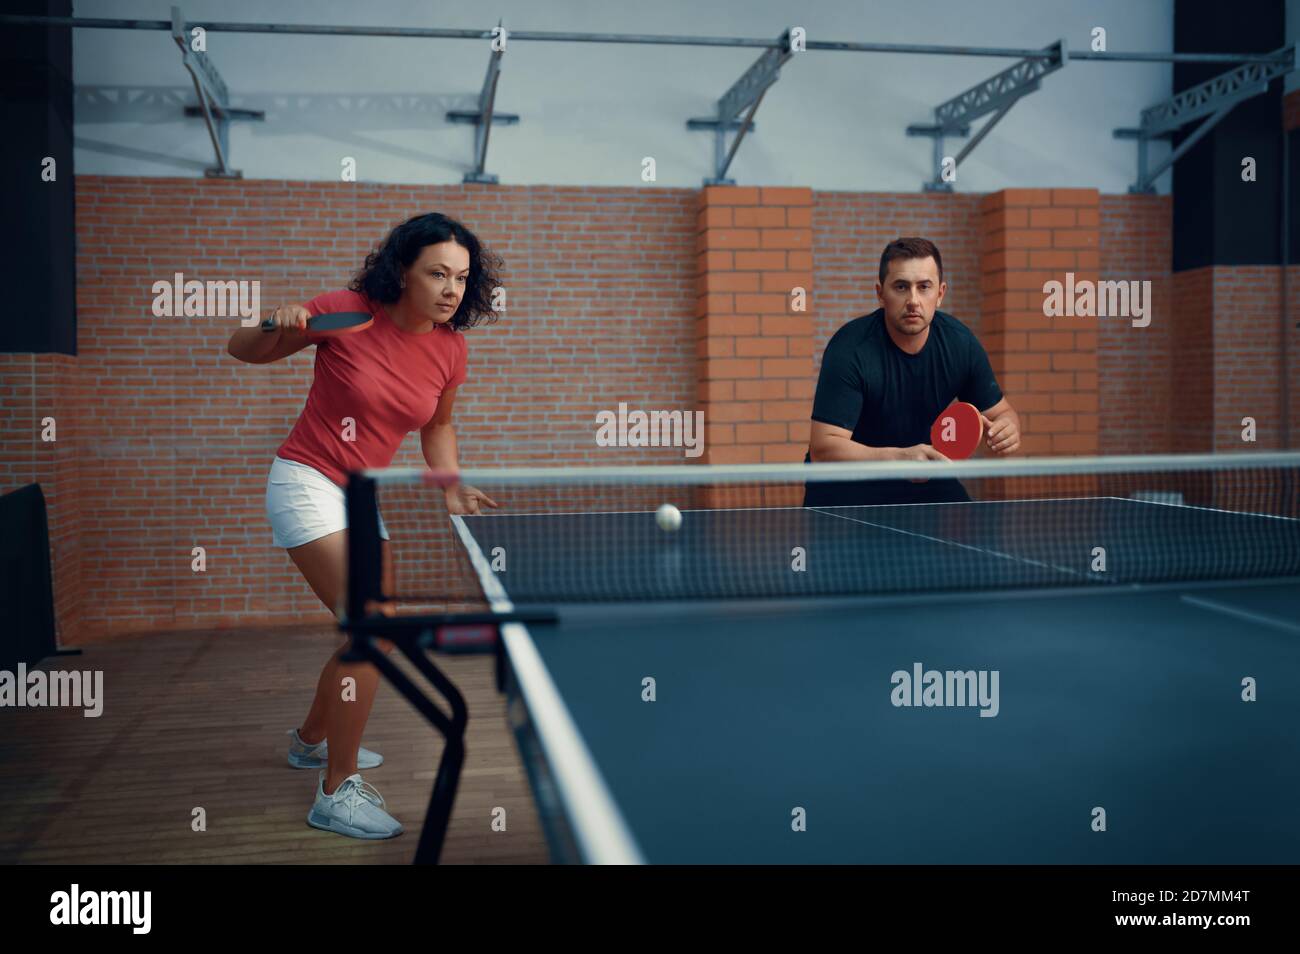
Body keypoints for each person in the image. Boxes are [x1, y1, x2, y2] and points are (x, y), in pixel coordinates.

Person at [225, 212, 501, 841]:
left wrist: (449, 484)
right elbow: (242, 352)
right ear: (403, 270)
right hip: (306, 480)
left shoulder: (450, 347)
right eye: (438, 273)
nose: (452, 289)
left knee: (366, 626)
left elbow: (437, 427)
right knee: (374, 628)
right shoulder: (346, 312)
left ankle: (308, 743)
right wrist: (274, 321)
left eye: (461, 277)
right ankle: (335, 792)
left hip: (363, 496)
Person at [805, 237, 1021, 506]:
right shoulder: (850, 349)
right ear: (880, 293)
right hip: (849, 486)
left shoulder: (959, 344)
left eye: (924, 287)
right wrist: (899, 458)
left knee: (970, 537)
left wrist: (1008, 428)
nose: (913, 300)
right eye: (901, 287)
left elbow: (1002, 412)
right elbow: (824, 450)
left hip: (924, 476)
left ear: (940, 294)